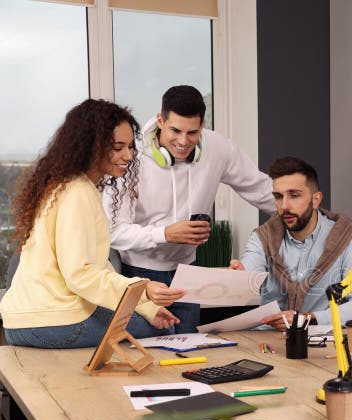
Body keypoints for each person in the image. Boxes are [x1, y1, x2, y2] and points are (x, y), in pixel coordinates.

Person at [0, 99, 183, 348]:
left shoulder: (62, 185)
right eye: (118, 147)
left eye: (130, 146)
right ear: (90, 146)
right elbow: (81, 275)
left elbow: (95, 266)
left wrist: (147, 306)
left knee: (151, 317)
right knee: (154, 327)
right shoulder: (78, 192)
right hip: (51, 322)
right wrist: (144, 288)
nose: (128, 155)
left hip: (22, 320)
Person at [104, 85, 276, 333]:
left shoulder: (219, 149)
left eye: (192, 132)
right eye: (175, 130)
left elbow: (261, 189)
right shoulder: (131, 157)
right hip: (139, 275)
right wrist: (165, 234)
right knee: (149, 357)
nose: (183, 142)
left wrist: (312, 213)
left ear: (202, 124)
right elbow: (114, 231)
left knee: (189, 353)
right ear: (161, 120)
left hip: (189, 273)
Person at [231, 156, 352, 330]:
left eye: (294, 195)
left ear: (316, 199)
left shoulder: (348, 237)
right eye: (278, 196)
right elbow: (249, 272)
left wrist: (308, 319)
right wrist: (238, 277)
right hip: (269, 341)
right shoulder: (263, 236)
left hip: (323, 343)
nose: (284, 205)